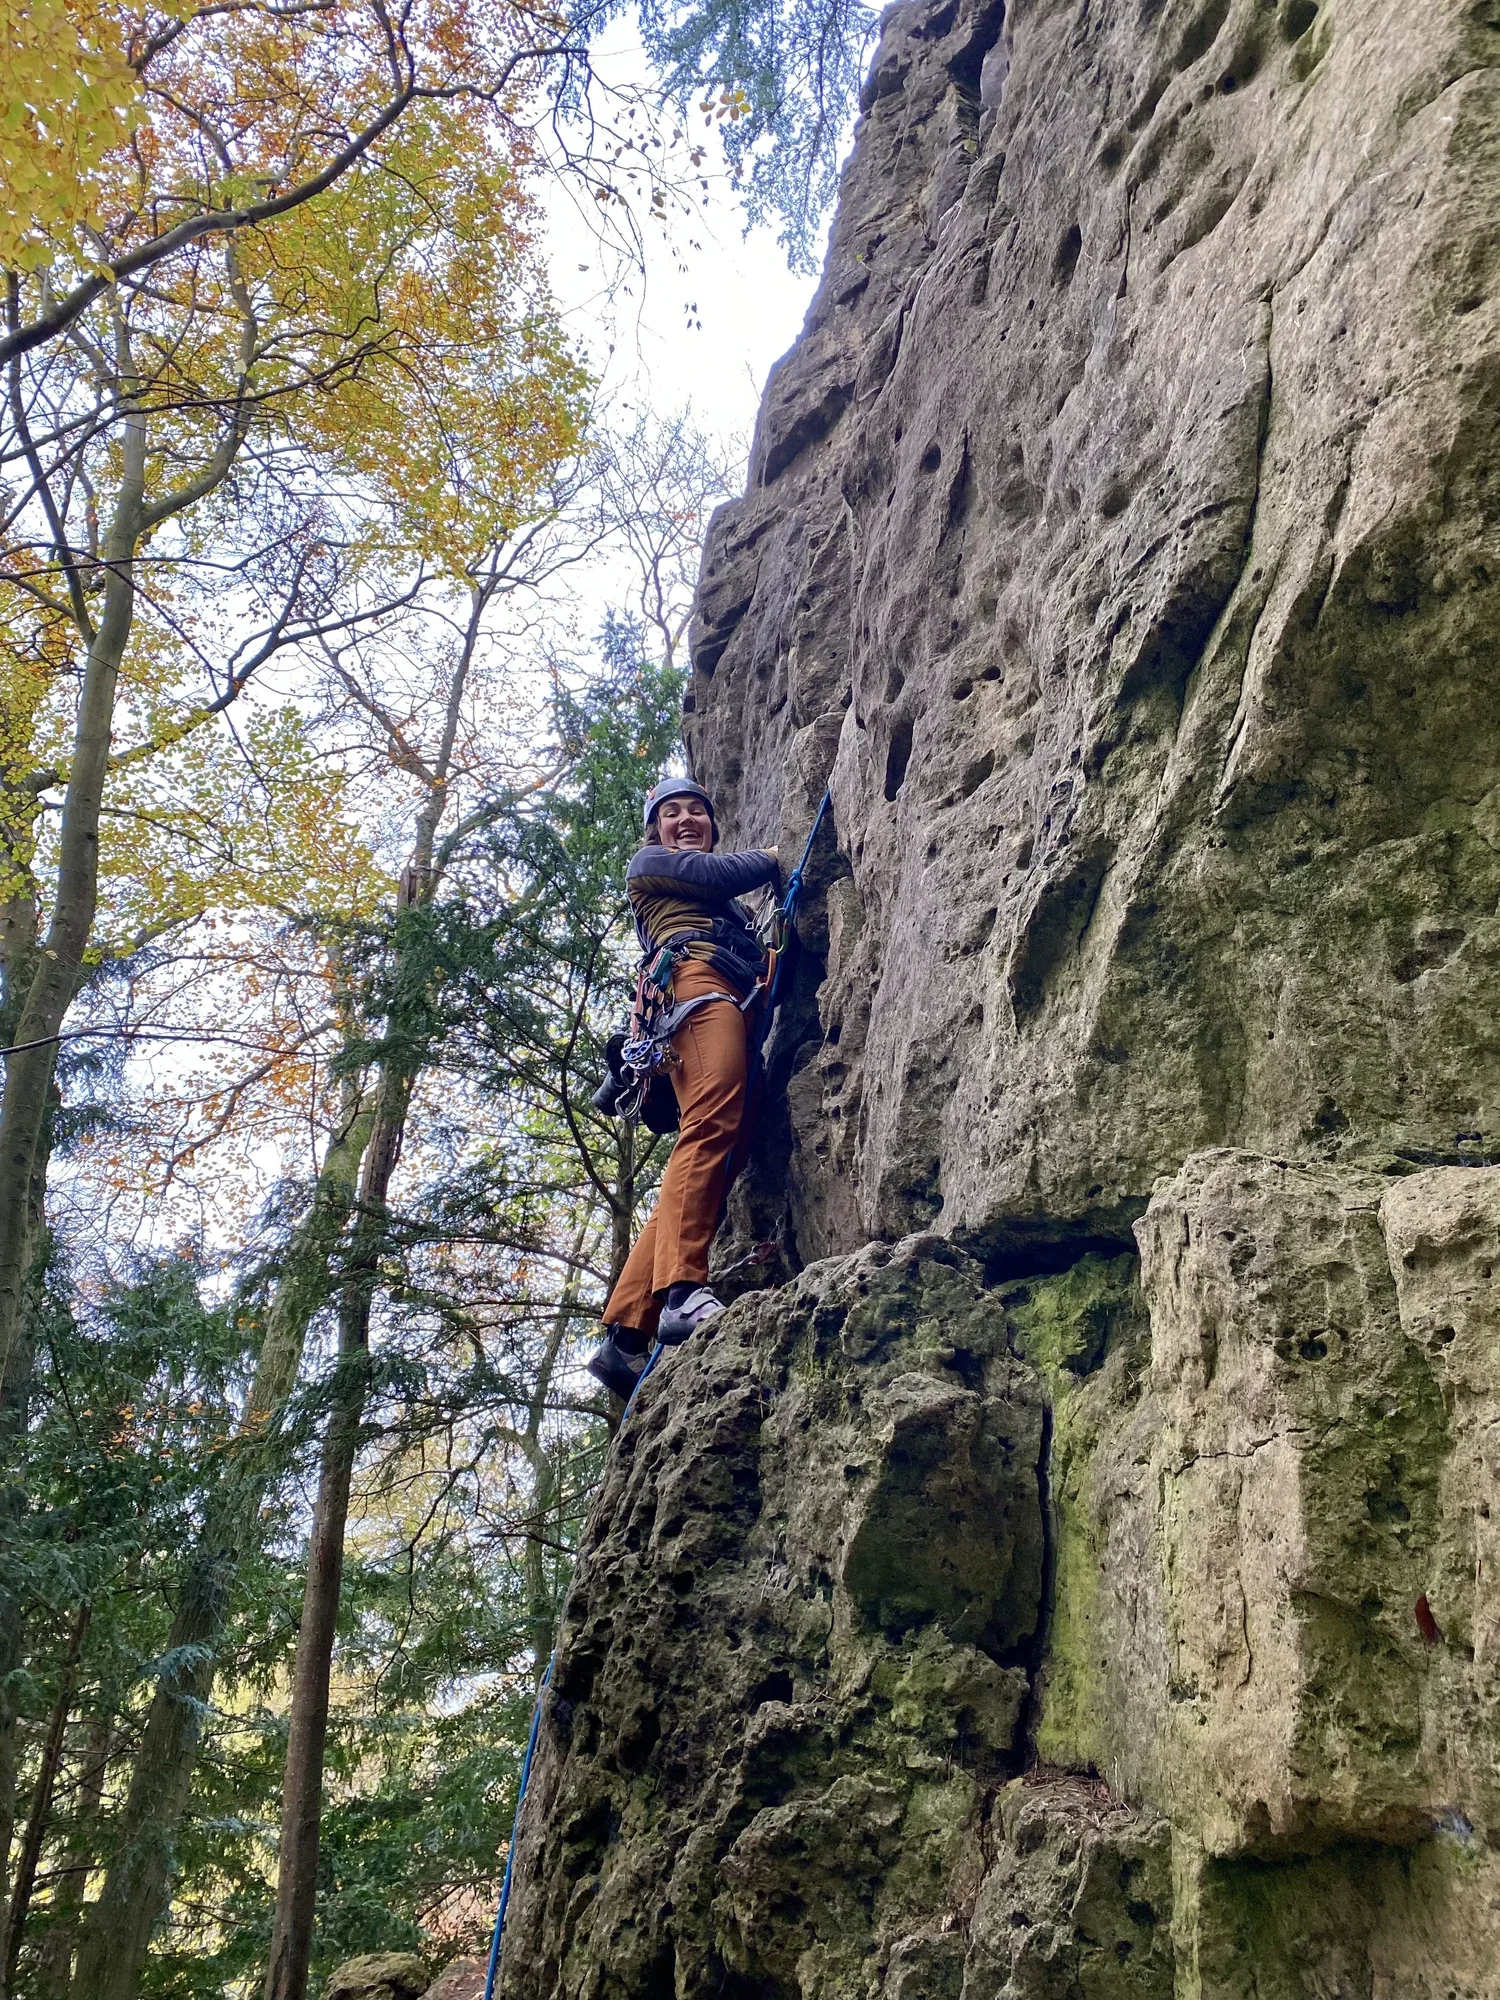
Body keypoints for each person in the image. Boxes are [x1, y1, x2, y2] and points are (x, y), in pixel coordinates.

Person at [587, 776, 780, 1397]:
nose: (687, 819)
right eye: (672, 813)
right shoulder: (651, 866)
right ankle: (681, 1293)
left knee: (720, 1142)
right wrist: (772, 862)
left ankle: (624, 1336)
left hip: (723, 991)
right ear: (656, 830)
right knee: (710, 1127)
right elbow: (726, 876)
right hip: (696, 988)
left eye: (698, 810)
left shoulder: (719, 907)